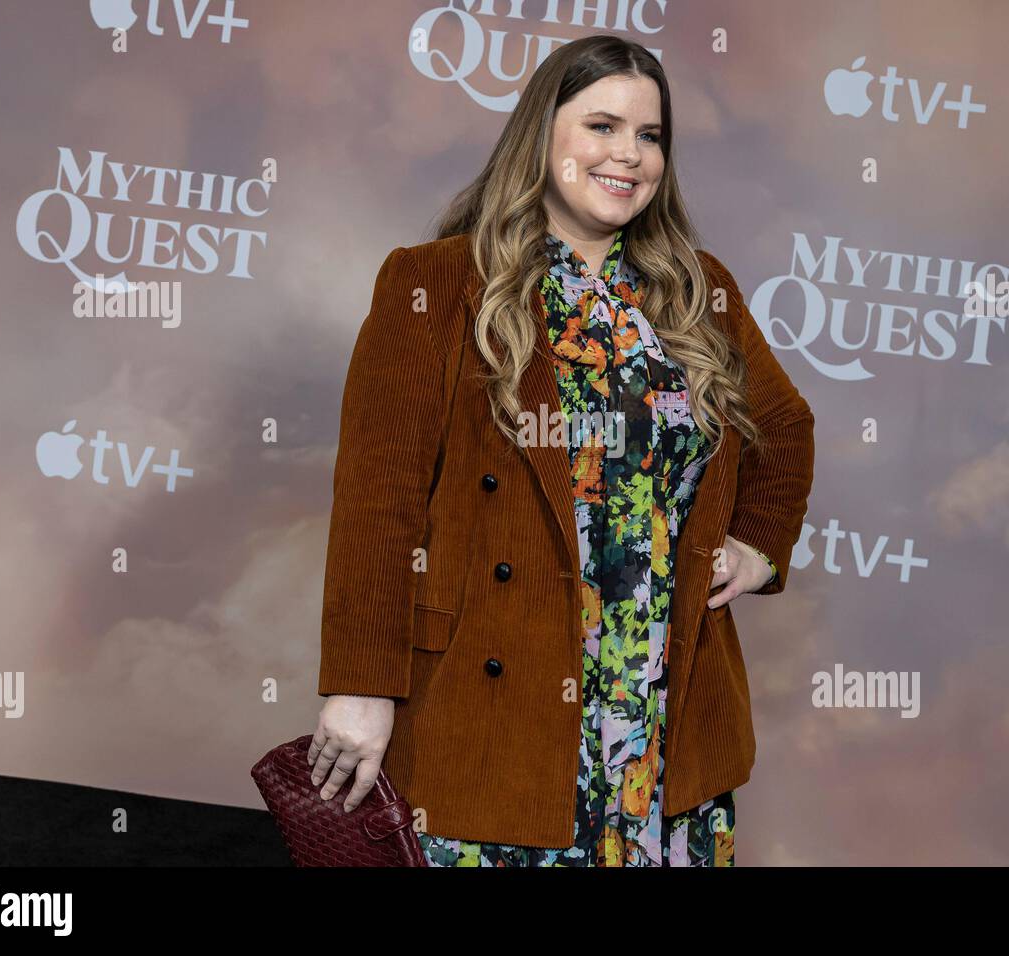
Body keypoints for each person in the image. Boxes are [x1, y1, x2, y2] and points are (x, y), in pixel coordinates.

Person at [307, 34, 814, 866]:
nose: (629, 155)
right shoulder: (433, 283)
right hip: (492, 703)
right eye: (603, 126)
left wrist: (757, 545)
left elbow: (785, 430)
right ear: (542, 135)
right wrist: (361, 687)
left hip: (656, 700)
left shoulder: (694, 290)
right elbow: (378, 503)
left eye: (650, 136)